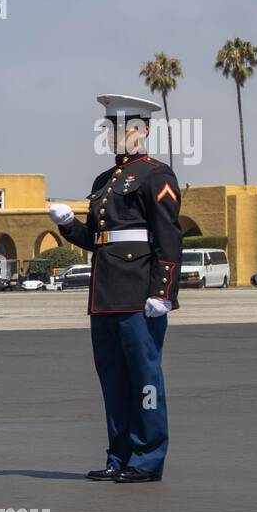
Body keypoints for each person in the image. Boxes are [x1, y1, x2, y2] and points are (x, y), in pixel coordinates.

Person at [50, 94, 183, 484]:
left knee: (144, 380)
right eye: (108, 128)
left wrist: (163, 291)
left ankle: (147, 457)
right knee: (113, 379)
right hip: (105, 294)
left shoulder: (157, 175)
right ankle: (119, 454)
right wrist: (67, 225)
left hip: (138, 292)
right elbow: (97, 239)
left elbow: (168, 237)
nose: (112, 135)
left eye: (121, 129)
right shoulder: (103, 181)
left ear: (142, 132)